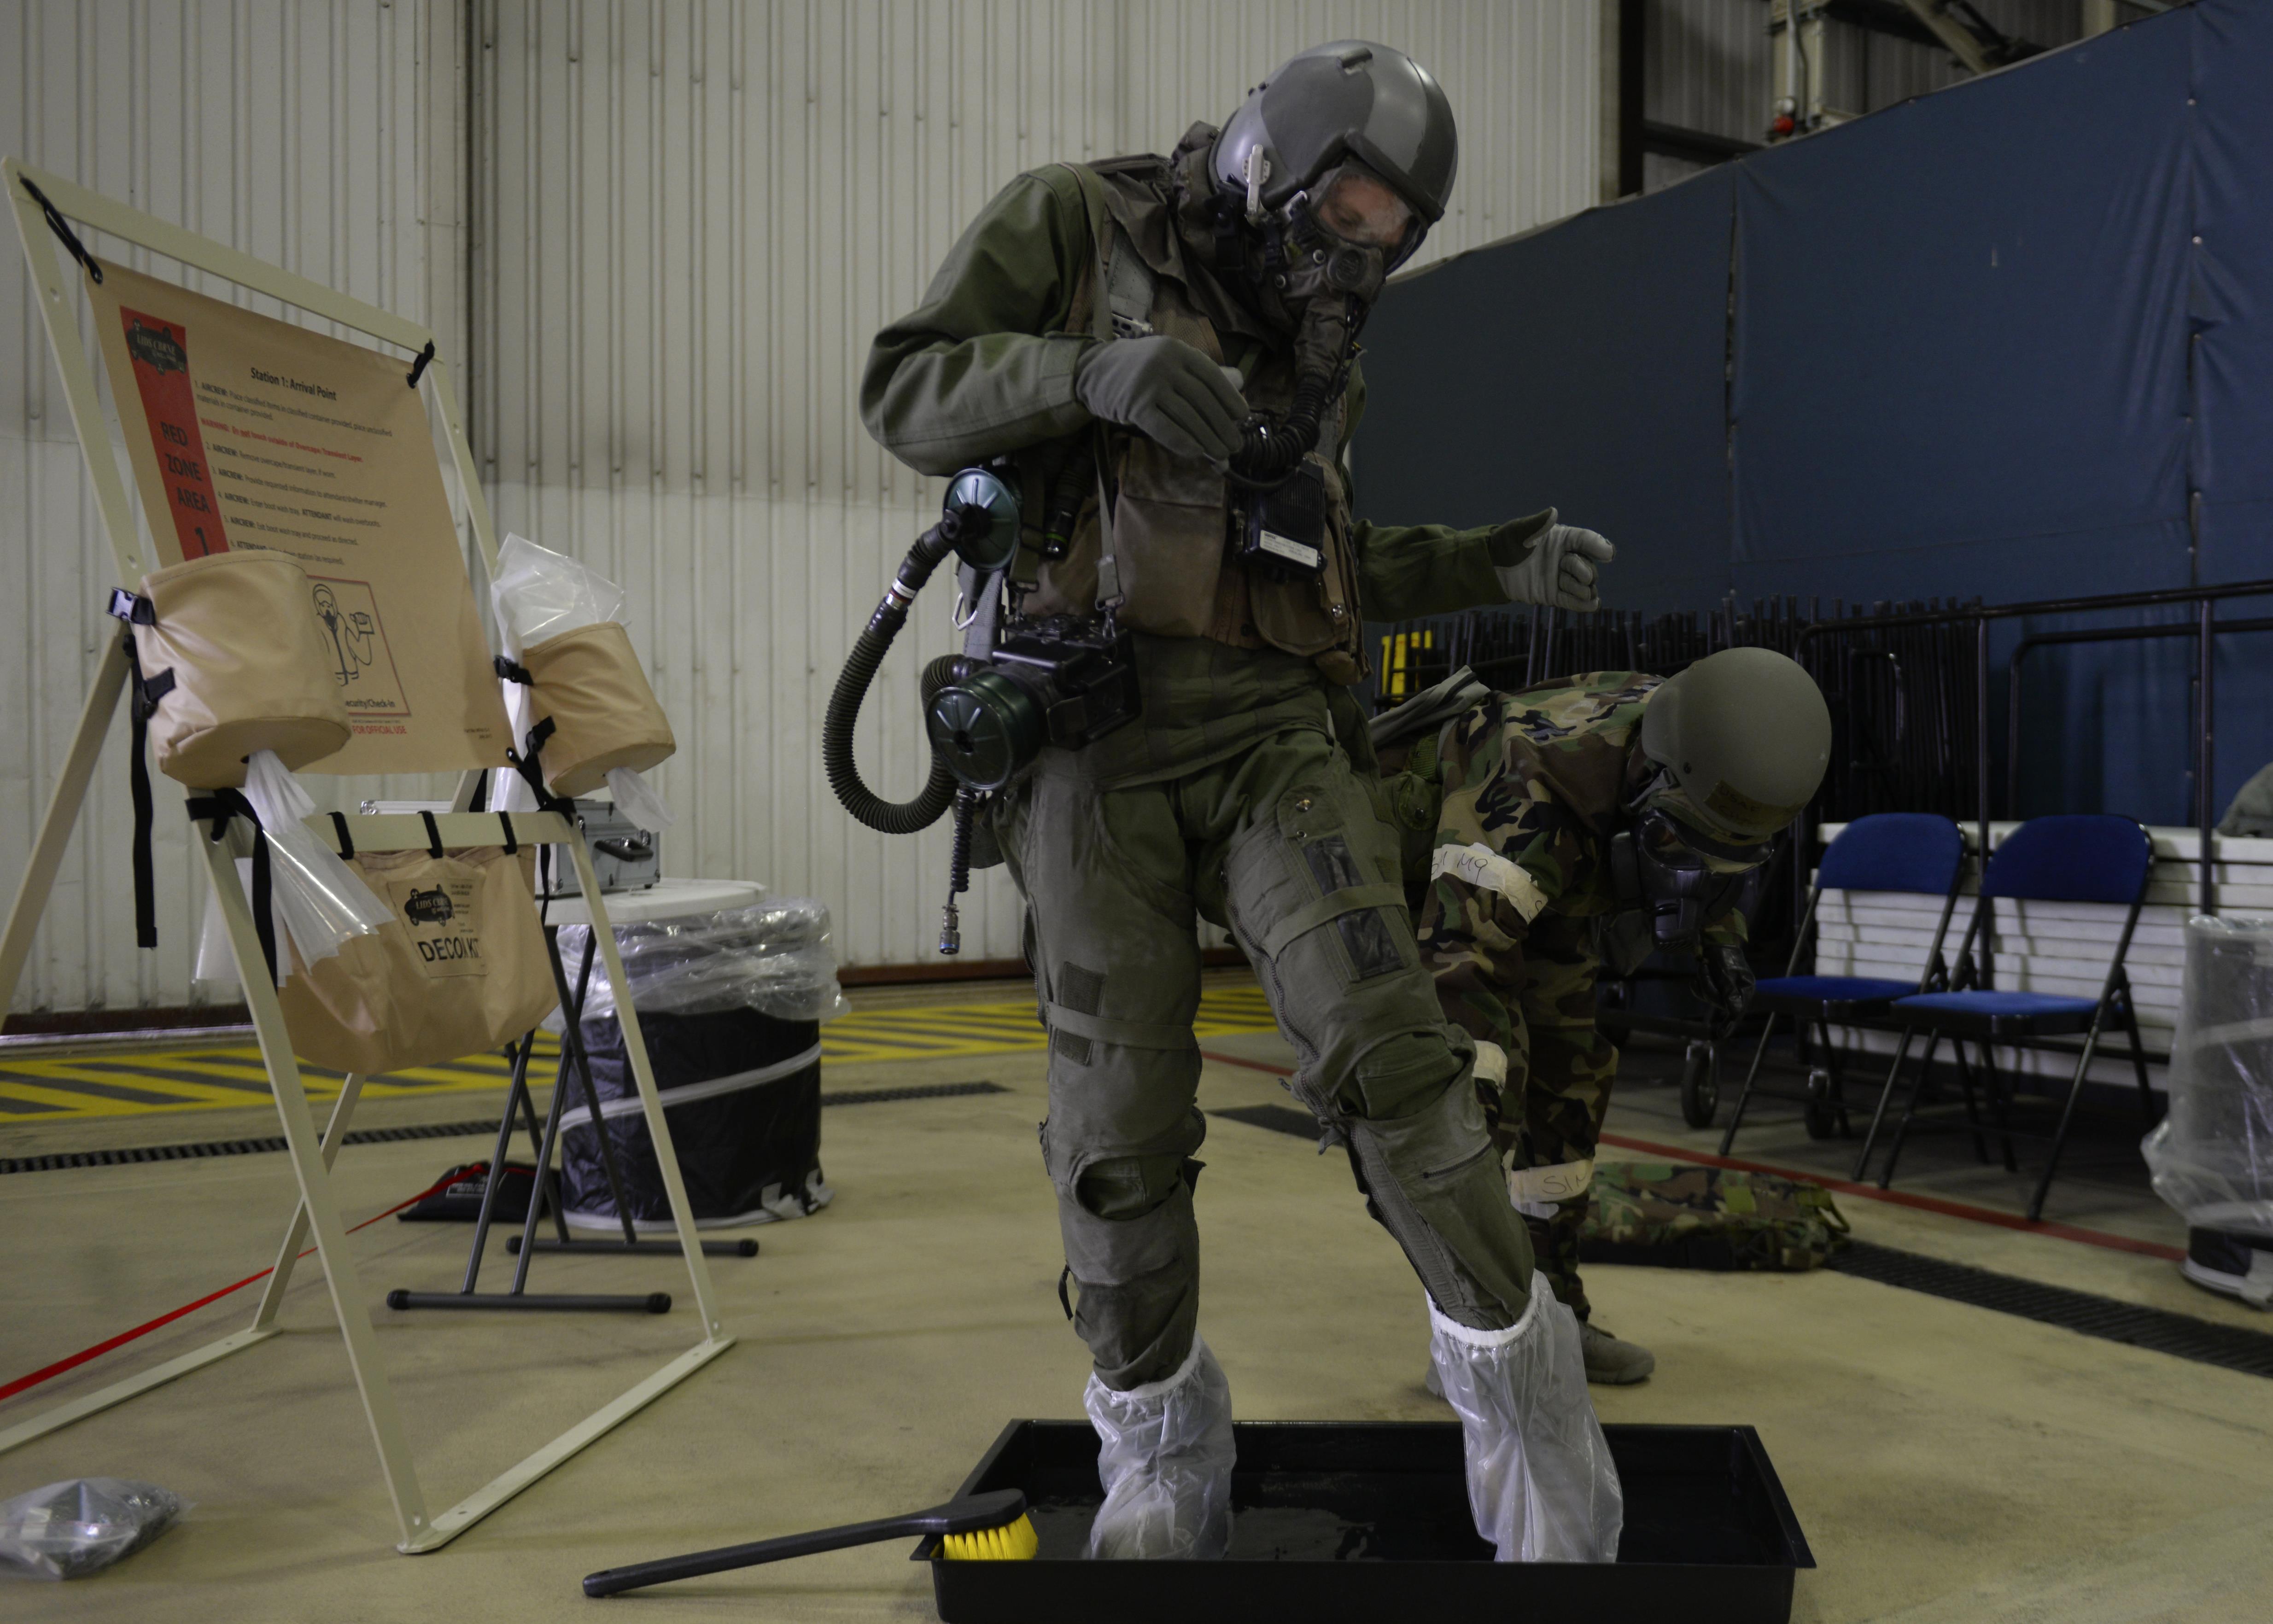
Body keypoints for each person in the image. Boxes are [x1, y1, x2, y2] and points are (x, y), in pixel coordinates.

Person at [860, 41, 1624, 1563]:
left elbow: (1308, 563)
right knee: (1118, 1128)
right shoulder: (1074, 222)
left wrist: (1486, 558)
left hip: (1273, 737)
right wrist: (1082, 372)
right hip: (1089, 743)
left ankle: (1530, 1435)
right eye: (1348, 202)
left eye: (1396, 229)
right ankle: (1155, 1460)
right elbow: (903, 385)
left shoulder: (1317, 349)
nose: (1366, 244)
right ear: (1277, 163)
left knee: (1397, 1057)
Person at [1373, 650, 1834, 1386]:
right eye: (1678, 842)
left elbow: (1714, 862)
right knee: (1476, 1103)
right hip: (1443, 880)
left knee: (1575, 1081)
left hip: (1561, 879)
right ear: (1656, 780)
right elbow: (1462, 966)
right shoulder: (1531, 780)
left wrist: (1723, 939)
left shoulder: (1706, 741)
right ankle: (1472, 1339)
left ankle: (1556, 1316)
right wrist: (1468, 1102)